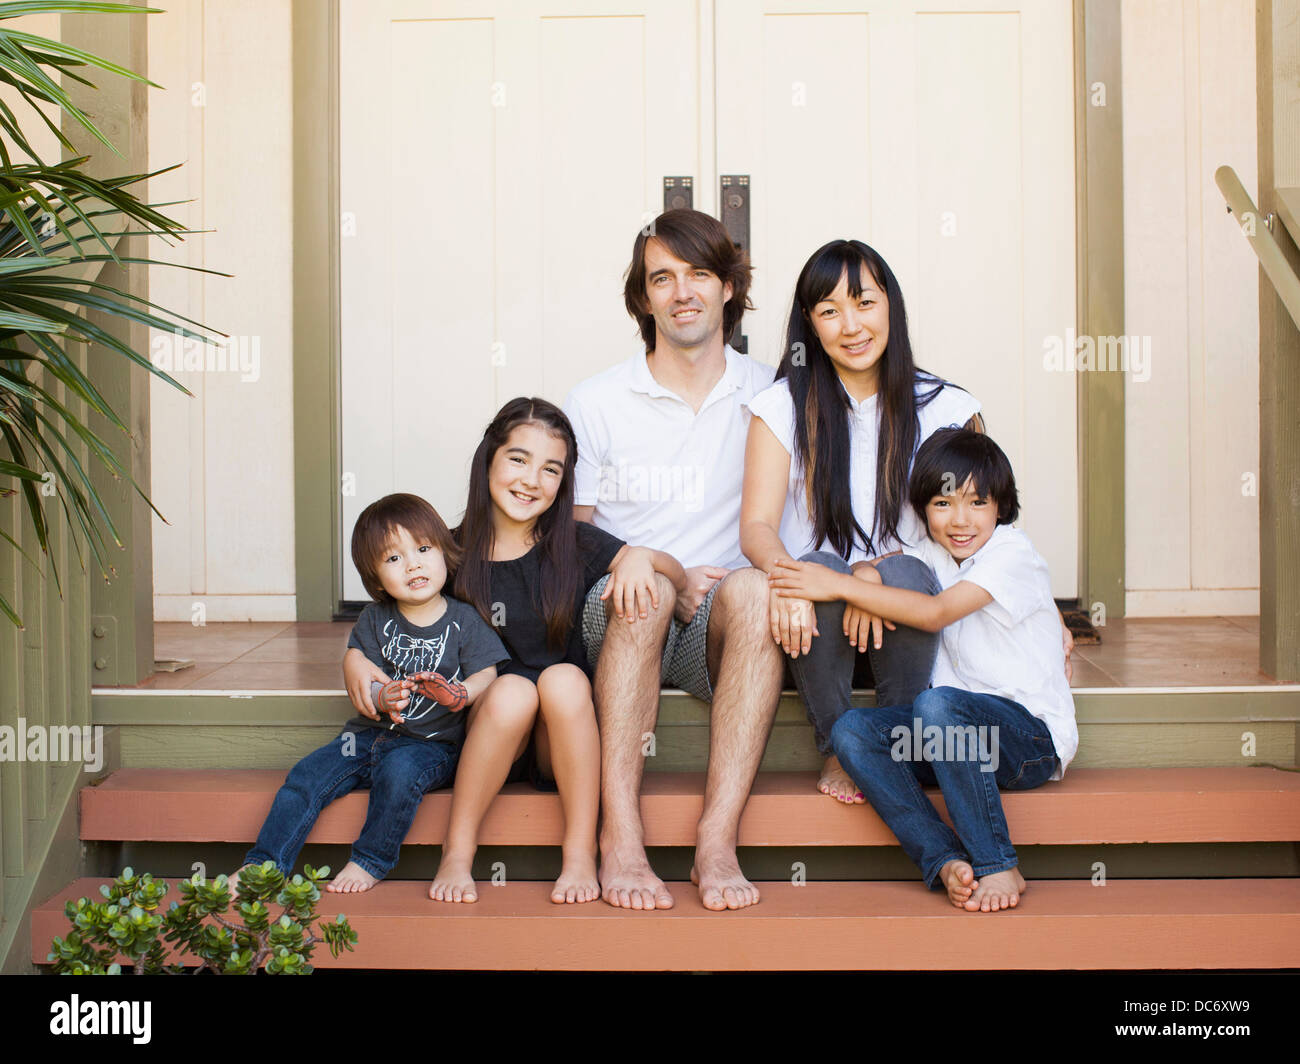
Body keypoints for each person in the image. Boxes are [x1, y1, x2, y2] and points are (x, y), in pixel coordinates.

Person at [563, 208, 784, 912]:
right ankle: (620, 835)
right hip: (625, 608)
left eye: (699, 274)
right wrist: (643, 558)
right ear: (643, 298)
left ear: (727, 288)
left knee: (754, 592)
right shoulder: (596, 400)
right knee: (647, 591)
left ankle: (716, 841)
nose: (681, 291)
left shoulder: (773, 395)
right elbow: (567, 536)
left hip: (721, 621)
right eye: (662, 278)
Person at [769, 429, 1079, 912]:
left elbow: (934, 614)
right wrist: (865, 576)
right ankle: (944, 857)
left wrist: (837, 586)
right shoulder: (933, 555)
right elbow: (884, 563)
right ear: (924, 508)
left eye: (978, 503)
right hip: (950, 738)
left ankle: (998, 862)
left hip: (1027, 739)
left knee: (936, 704)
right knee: (852, 731)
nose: (960, 520)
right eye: (942, 503)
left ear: (1001, 506)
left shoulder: (1011, 554)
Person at [741, 238, 985, 805]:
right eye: (829, 310)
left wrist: (870, 577)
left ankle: (895, 741)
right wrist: (790, 579)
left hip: (912, 605)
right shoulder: (780, 407)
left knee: (899, 570)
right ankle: (840, 746)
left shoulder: (948, 407)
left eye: (864, 303)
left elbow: (984, 527)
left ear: (890, 307)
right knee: (816, 566)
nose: (850, 325)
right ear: (811, 324)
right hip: (819, 619)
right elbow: (756, 524)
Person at [427, 397, 685, 905]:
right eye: (518, 459)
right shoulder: (449, 554)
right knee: (513, 690)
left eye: (551, 469)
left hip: (557, 742)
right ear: (488, 461)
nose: (531, 480)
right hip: (488, 729)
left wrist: (639, 558)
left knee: (563, 679)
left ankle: (580, 854)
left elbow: (674, 572)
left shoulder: (573, 543)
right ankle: (456, 853)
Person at [245, 494, 507, 893]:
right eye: (393, 558)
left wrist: (460, 694)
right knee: (305, 776)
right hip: (364, 737)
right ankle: (263, 867)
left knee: (398, 775)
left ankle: (370, 860)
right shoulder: (373, 619)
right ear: (375, 574)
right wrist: (382, 697)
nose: (413, 564)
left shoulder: (463, 619)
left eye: (422, 549)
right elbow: (364, 680)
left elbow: (487, 674)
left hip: (429, 745)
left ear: (443, 552)